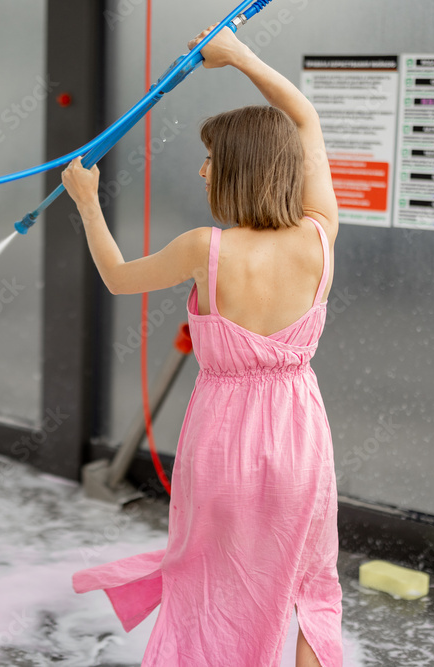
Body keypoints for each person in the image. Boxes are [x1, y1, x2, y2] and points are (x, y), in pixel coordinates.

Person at [65, 25, 342, 667]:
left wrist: (87, 201)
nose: (202, 168)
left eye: (212, 158)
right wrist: (241, 57)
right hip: (300, 433)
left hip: (222, 439)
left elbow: (115, 277)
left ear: (238, 170)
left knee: (211, 583)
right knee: (309, 583)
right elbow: (305, 115)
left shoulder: (204, 249)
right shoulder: (321, 237)